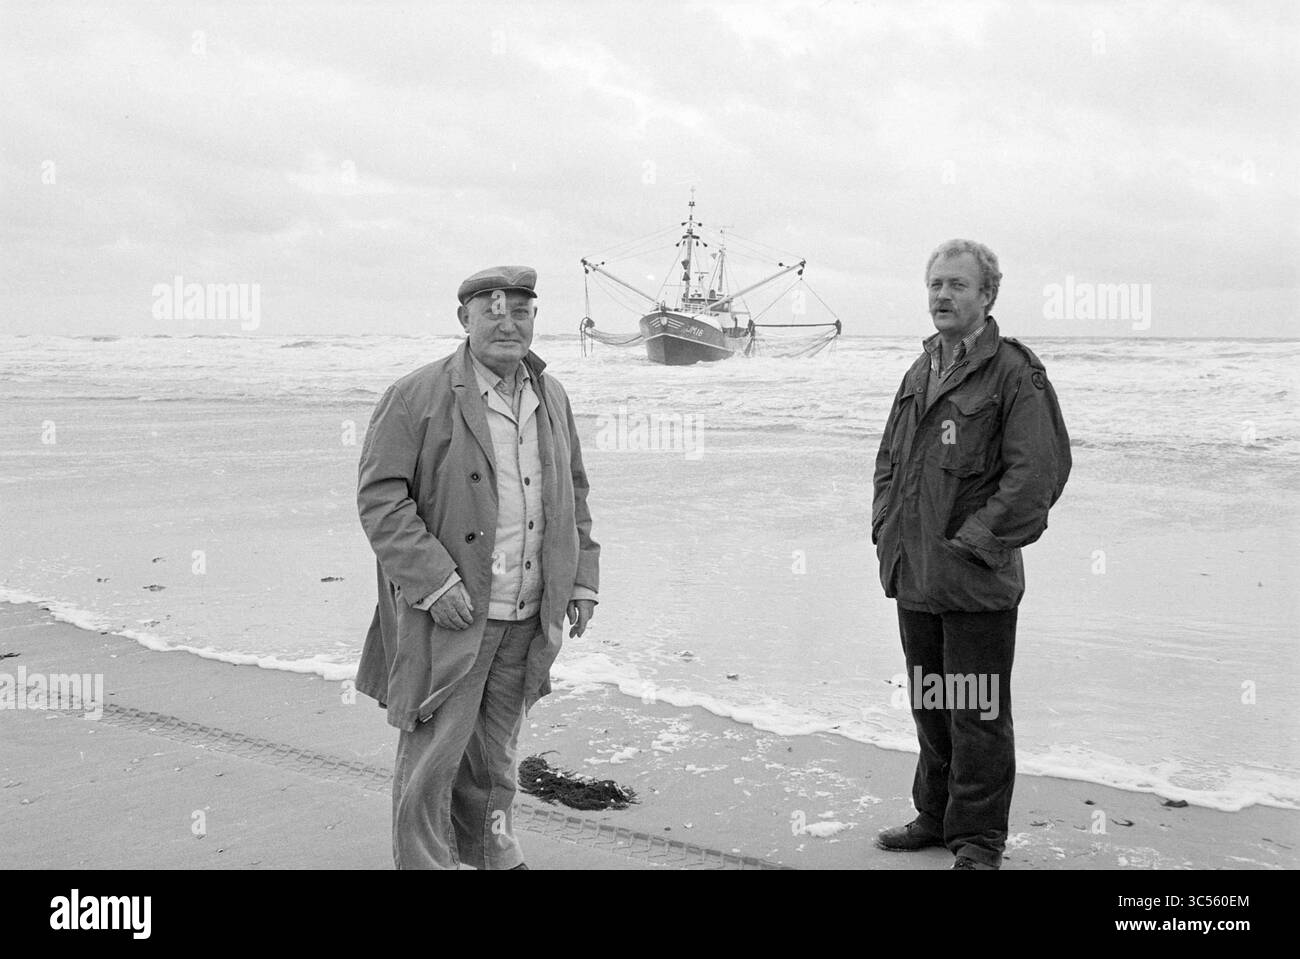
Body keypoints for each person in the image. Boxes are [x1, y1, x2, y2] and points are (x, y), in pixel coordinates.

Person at [355, 265, 599, 870]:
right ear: (464, 320)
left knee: (497, 756)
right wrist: (433, 581)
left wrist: (582, 577)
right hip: (454, 609)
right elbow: (381, 498)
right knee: (434, 758)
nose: (506, 323)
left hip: (528, 606)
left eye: (520, 312)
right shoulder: (415, 395)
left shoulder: (552, 394)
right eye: (491, 311)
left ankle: (493, 853)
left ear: (535, 320)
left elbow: (574, 492)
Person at [871, 240, 1070, 870]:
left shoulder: (1015, 371)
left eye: (957, 285)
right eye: (935, 285)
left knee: (978, 711)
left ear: (987, 296)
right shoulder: (919, 370)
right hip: (915, 575)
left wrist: (978, 543)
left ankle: (980, 839)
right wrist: (885, 528)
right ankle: (936, 817)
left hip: (975, 582)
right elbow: (889, 462)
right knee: (930, 702)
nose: (942, 296)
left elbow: (1037, 473)